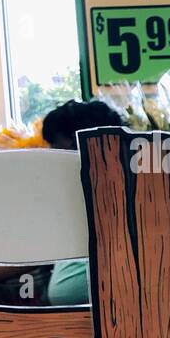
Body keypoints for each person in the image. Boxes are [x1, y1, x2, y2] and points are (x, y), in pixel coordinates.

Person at [40, 100, 125, 305]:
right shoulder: (78, 195)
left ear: (78, 144)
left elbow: (66, 292)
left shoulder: (110, 200)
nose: (50, 154)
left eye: (55, 145)